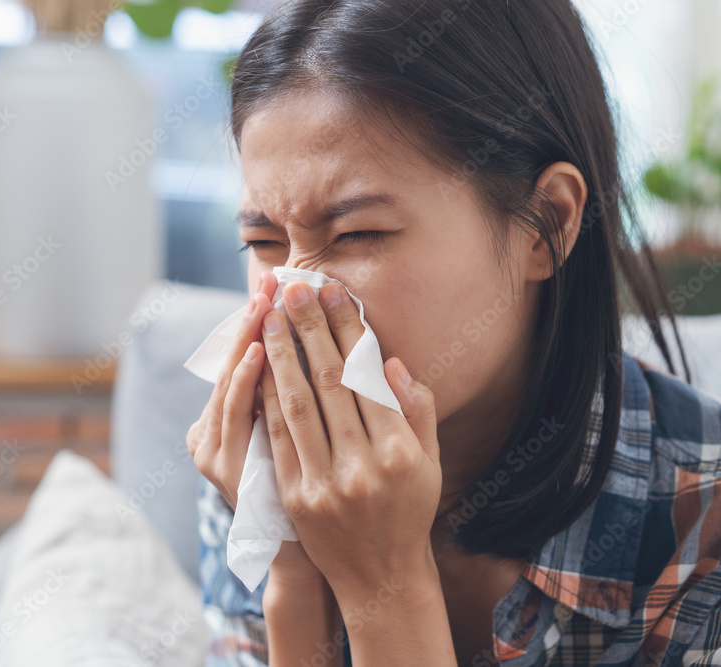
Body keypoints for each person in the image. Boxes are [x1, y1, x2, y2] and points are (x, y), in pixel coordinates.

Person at [184, 0, 721, 665]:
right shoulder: (258, 464)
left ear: (547, 223)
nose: (292, 297)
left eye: (357, 233)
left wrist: (387, 584)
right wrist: (296, 571)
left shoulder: (700, 516)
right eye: (262, 241)